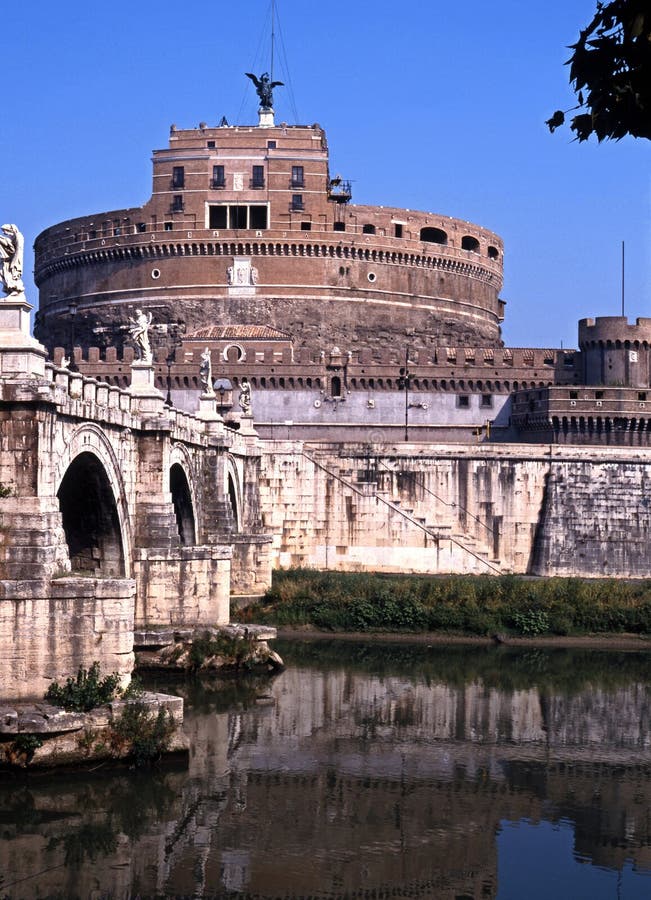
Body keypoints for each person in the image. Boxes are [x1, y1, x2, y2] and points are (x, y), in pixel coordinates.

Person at [0, 224, 25, 296]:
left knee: (11, 274)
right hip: (9, 260)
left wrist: (14, 261)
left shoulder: (18, 236)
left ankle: (15, 288)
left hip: (14, 260)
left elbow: (18, 250)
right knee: (3, 273)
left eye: (4, 231)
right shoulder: (12, 237)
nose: (4, 233)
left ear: (10, 230)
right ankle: (10, 289)